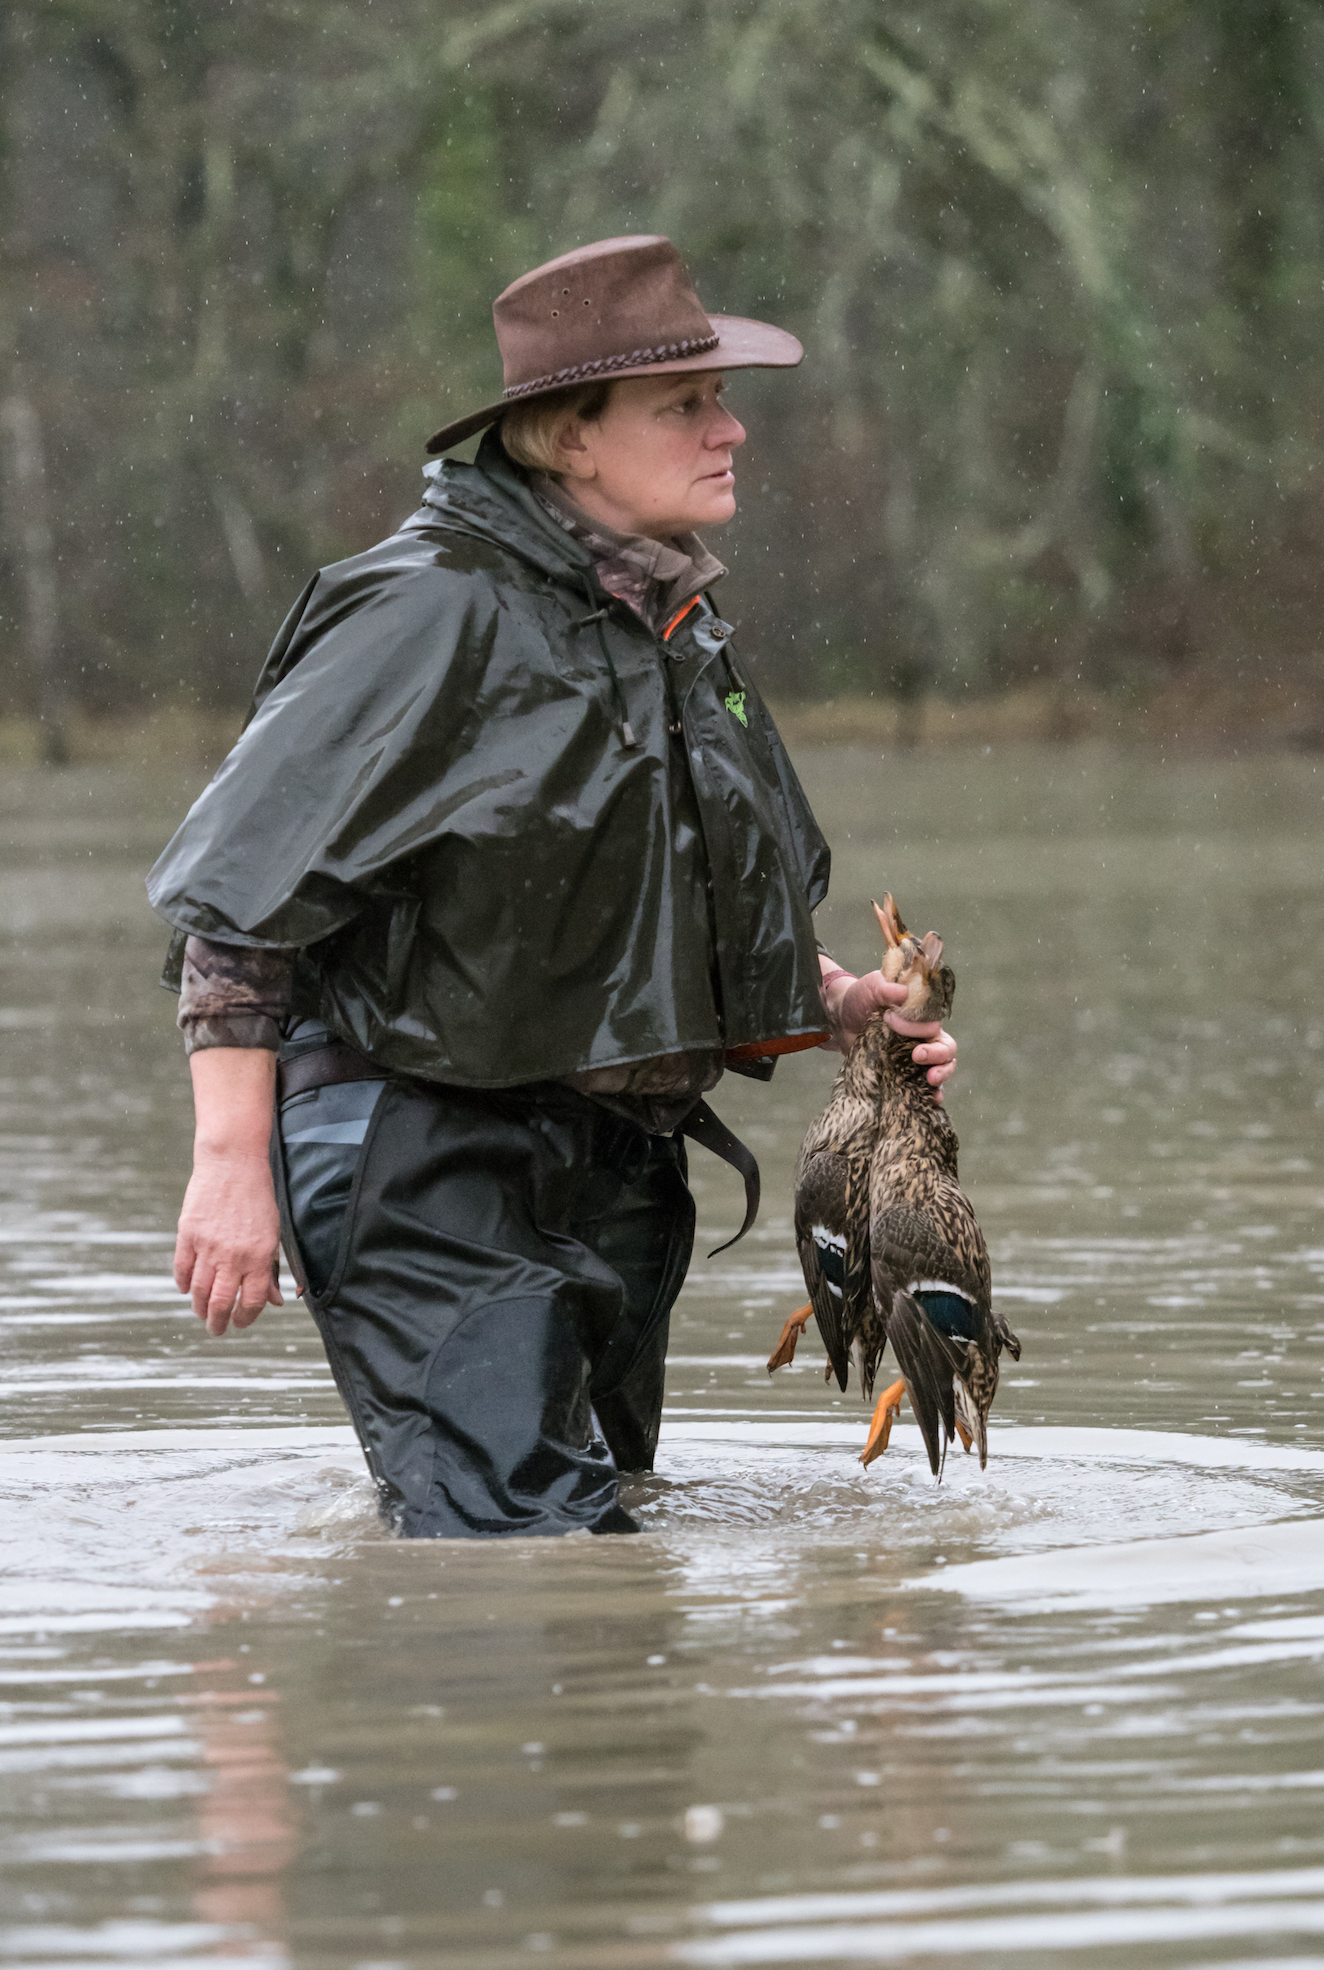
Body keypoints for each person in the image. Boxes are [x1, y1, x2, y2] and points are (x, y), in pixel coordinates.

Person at [148, 235, 957, 1538]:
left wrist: (845, 1008)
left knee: (603, 1532)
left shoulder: (677, 628)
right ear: (568, 440)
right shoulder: (424, 612)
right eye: (684, 405)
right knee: (528, 1552)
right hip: (417, 1142)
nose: (731, 429)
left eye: (721, 397)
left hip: (613, 1157)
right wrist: (231, 1167)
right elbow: (239, 905)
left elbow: (635, 902)